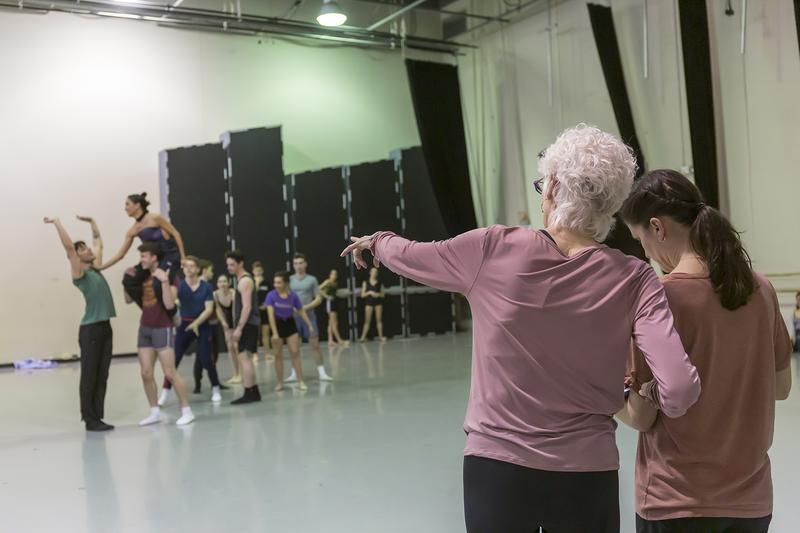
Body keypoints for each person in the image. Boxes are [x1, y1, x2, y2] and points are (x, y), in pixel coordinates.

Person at [341, 124, 701, 532]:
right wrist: (640, 393)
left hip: (497, 468)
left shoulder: (491, 248)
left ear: (550, 188)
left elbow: (415, 255)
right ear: (612, 204)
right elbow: (681, 388)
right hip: (587, 473)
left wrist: (378, 242)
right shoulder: (635, 278)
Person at [617, 169, 792, 533]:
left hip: (676, 501)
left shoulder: (657, 300)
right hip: (750, 502)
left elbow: (642, 417)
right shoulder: (760, 290)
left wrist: (600, 389)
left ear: (657, 227)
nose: (644, 251)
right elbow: (781, 387)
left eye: (640, 239)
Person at [45, 215, 116, 432]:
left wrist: (93, 221)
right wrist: (57, 222)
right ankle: (89, 419)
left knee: (102, 374)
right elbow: (68, 247)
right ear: (77, 256)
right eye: (83, 249)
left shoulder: (95, 268)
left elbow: (98, 242)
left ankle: (97, 417)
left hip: (105, 327)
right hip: (91, 330)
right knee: (90, 374)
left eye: (87, 248)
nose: (89, 250)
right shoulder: (80, 272)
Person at [131, 243, 194, 426]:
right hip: (145, 328)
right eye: (140, 256)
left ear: (154, 258)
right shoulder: (143, 276)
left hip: (162, 327)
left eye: (144, 256)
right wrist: (129, 280)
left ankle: (186, 410)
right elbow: (129, 300)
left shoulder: (171, 277)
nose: (141, 259)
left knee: (169, 372)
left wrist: (165, 281)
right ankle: (154, 412)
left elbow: (169, 304)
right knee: (145, 372)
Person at [158, 256, 222, 405]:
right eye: (186, 266)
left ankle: (216, 387)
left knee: (207, 359)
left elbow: (209, 309)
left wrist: (197, 324)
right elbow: (170, 302)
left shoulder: (206, 286)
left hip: (202, 325)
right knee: (174, 361)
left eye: (192, 266)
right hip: (184, 326)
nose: (188, 268)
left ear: (198, 269)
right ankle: (165, 393)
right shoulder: (179, 285)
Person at [99, 192, 186, 302]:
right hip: (152, 260)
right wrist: (101, 268)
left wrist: (183, 257)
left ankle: (172, 314)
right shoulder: (133, 230)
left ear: (137, 205)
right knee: (129, 281)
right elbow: (120, 255)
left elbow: (176, 233)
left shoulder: (155, 218)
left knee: (157, 283)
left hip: (169, 257)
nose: (125, 208)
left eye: (127, 204)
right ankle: (147, 308)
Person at [265, 271, 316, 392]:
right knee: (278, 355)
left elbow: (301, 311)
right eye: (275, 282)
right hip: (277, 324)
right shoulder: (271, 296)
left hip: (290, 324)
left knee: (295, 353)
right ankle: (280, 383)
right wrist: (275, 333)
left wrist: (309, 325)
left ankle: (300, 381)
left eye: (279, 282)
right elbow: (270, 315)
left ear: (285, 283)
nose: (276, 285)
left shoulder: (293, 296)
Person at [288, 253, 333, 382]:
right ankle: (294, 373)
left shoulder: (312, 279)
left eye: (301, 263)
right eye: (296, 263)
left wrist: (305, 308)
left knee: (315, 344)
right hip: (293, 318)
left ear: (305, 264)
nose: (298, 266)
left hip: (309, 316)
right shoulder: (290, 280)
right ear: (293, 265)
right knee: (294, 347)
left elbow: (318, 299)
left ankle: (322, 372)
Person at [226, 251, 262, 404]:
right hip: (248, 323)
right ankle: (254, 391)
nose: (229, 268)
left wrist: (239, 328)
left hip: (248, 324)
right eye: (228, 265)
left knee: (244, 357)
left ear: (241, 263)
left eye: (232, 264)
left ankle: (249, 392)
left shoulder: (244, 281)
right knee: (245, 357)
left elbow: (246, 307)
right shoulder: (241, 280)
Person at [192, 259, 227, 393]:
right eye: (211, 270)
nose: (213, 273)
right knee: (201, 356)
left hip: (213, 324)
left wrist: (222, 321)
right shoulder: (198, 285)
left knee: (213, 355)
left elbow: (215, 306)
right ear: (205, 270)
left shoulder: (208, 286)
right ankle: (198, 384)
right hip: (203, 326)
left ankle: (215, 382)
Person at [214, 274, 242, 384]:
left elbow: (236, 311)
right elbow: (218, 310)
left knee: (237, 346)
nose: (223, 284)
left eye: (225, 281)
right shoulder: (215, 295)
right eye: (220, 282)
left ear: (229, 283)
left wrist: (237, 327)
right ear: (217, 284)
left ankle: (242, 373)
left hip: (237, 321)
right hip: (227, 322)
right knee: (230, 347)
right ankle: (236, 373)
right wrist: (223, 322)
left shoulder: (233, 293)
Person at [320, 269, 350, 346]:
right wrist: (326, 296)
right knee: (334, 323)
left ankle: (330, 340)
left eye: (335, 274)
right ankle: (339, 340)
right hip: (329, 303)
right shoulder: (328, 282)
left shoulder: (335, 283)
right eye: (332, 274)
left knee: (331, 323)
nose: (334, 276)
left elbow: (335, 293)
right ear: (330, 275)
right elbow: (318, 289)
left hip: (334, 303)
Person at [358, 267, 386, 342]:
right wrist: (369, 292)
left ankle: (381, 336)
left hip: (378, 303)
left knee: (379, 320)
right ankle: (363, 337)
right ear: (370, 273)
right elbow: (362, 295)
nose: (374, 273)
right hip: (369, 303)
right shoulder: (366, 283)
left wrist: (378, 294)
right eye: (373, 272)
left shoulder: (380, 283)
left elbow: (383, 295)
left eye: (376, 272)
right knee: (367, 321)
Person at [253, 261, 272, 361]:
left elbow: (271, 295)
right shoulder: (251, 282)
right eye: (256, 270)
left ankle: (267, 353)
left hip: (265, 310)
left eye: (260, 270)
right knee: (255, 334)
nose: (258, 272)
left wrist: (266, 304)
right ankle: (255, 354)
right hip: (254, 311)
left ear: (263, 271)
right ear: (253, 271)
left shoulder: (267, 283)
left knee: (266, 334)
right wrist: (256, 283)